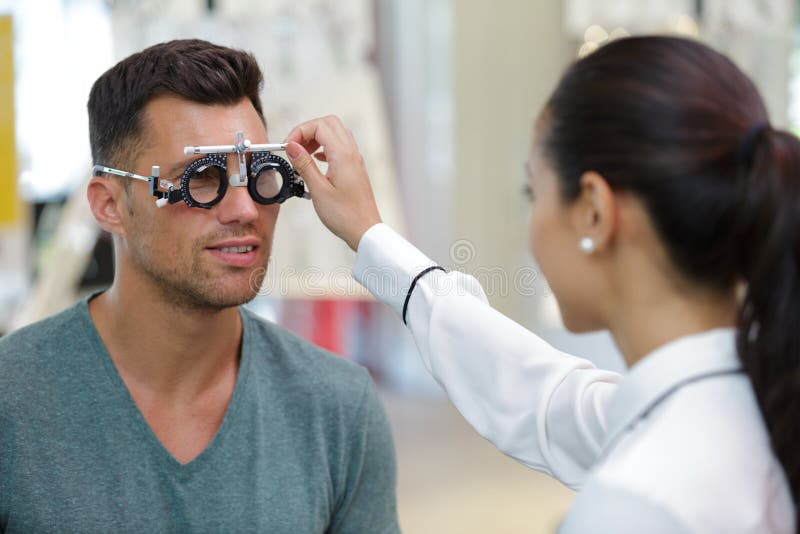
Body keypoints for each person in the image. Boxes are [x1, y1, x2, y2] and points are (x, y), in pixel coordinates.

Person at [283, 36, 798, 533]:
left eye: (535, 190)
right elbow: (546, 397)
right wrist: (371, 236)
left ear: (594, 212)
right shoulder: (753, 403)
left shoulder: (638, 501)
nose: (531, 221)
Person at [0, 39, 399, 533]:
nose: (245, 210)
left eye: (259, 175)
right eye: (203, 178)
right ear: (109, 206)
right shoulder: (13, 401)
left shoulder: (338, 409)